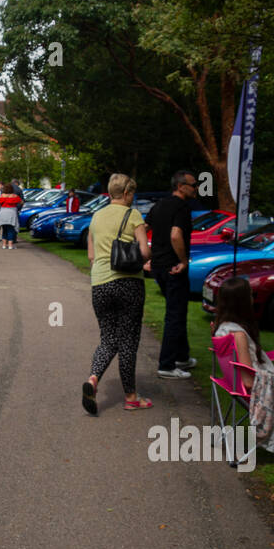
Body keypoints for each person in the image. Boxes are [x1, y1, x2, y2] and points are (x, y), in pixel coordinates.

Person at [212, 277, 274, 462]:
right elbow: (248, 380)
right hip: (255, 390)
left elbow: (247, 369)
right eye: (249, 294)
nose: (251, 298)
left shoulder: (221, 329)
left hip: (235, 384)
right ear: (241, 301)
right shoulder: (238, 334)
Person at [82, 173, 151, 414]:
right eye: (132, 193)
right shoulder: (133, 215)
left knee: (108, 339)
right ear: (127, 193)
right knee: (128, 341)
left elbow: (91, 256)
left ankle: (93, 379)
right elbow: (143, 251)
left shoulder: (96, 216)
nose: (133, 197)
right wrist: (146, 257)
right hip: (128, 283)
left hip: (100, 283)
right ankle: (131, 397)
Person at [146, 170, 198, 378]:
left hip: (159, 266)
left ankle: (182, 356)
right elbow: (176, 235)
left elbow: (143, 227)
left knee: (178, 311)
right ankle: (167, 365)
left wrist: (148, 255)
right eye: (193, 185)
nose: (196, 188)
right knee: (175, 315)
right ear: (180, 186)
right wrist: (184, 261)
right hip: (173, 267)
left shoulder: (159, 205)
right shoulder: (182, 207)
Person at [0, 183, 21, 250]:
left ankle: (4, 245)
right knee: (11, 230)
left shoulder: (2, 196)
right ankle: (10, 245)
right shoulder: (14, 196)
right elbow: (21, 202)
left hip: (3, 213)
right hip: (12, 213)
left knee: (4, 229)